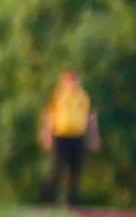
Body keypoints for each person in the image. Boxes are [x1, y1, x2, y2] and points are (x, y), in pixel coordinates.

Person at [40, 71, 100, 208]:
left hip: (78, 137)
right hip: (61, 136)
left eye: (76, 81)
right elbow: (49, 116)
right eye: (70, 81)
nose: (73, 84)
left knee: (76, 171)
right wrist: (47, 135)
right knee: (57, 169)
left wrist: (94, 137)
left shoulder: (84, 97)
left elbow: (91, 118)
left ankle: (73, 203)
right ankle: (48, 200)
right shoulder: (58, 96)